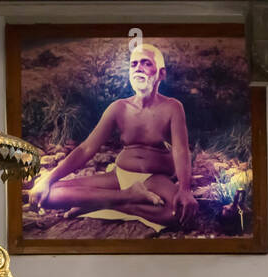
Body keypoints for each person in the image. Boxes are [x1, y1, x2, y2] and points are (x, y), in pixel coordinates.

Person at [29, 43, 198, 231]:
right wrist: (47, 180)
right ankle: (129, 197)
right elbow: (86, 148)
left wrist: (184, 189)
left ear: (161, 73)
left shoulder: (172, 107)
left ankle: (99, 203)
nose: (138, 68)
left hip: (155, 178)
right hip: (120, 176)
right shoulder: (119, 107)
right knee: (49, 195)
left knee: (176, 215)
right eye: (133, 64)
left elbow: (181, 150)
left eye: (146, 63)